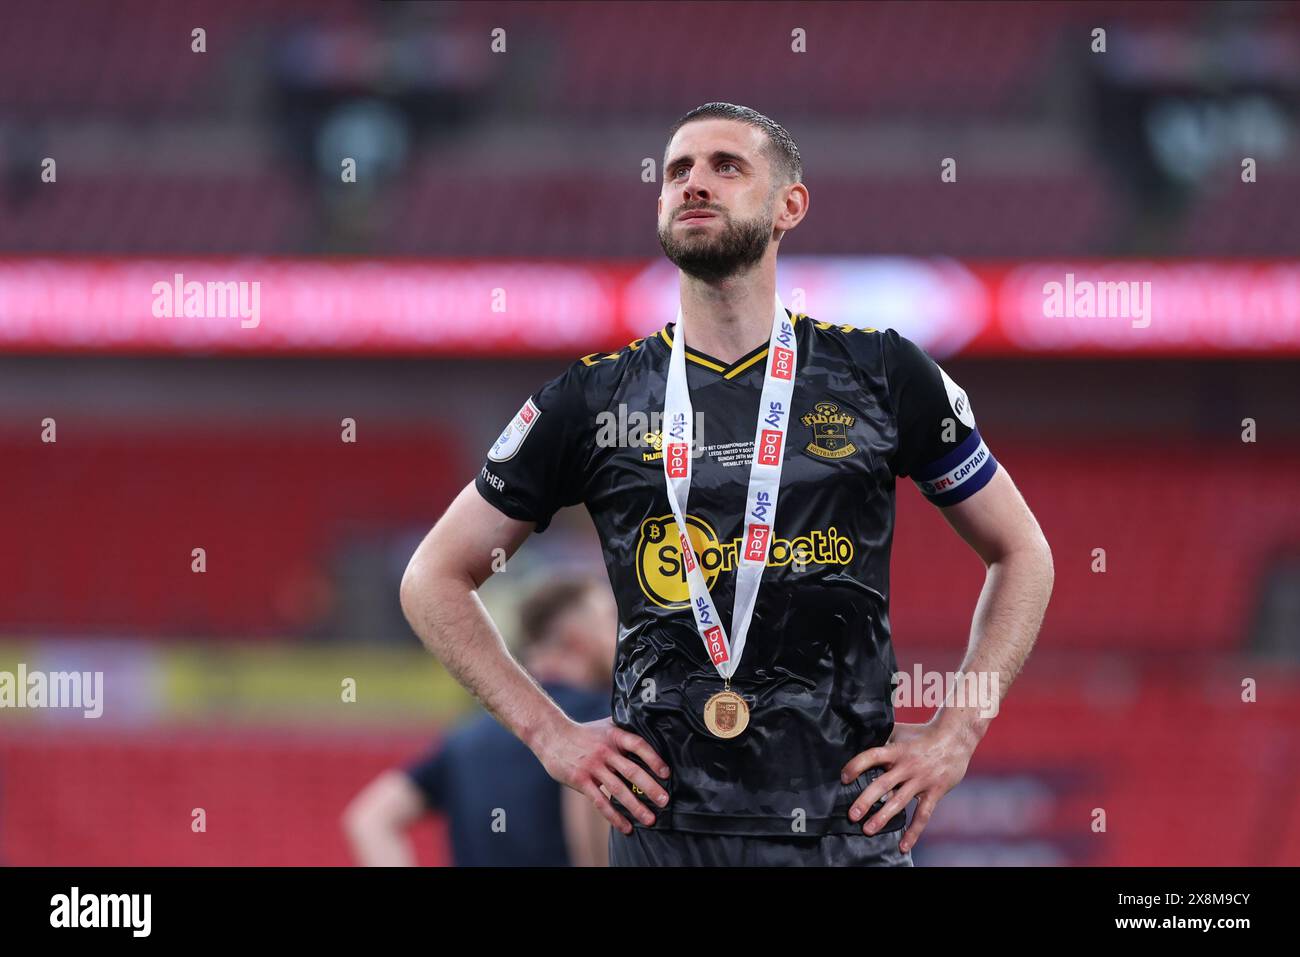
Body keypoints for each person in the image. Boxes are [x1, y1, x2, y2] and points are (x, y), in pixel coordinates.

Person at [400, 102, 1054, 866]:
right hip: (665, 838)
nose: (695, 184)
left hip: (846, 832)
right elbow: (433, 576)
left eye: (726, 166)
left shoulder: (882, 374)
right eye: (678, 171)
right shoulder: (592, 399)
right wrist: (550, 731)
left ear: (790, 206)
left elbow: (1023, 552)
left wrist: (955, 732)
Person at [344, 577, 615, 866]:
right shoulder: (599, 718)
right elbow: (590, 812)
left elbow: (371, 819)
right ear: (577, 637)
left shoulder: (467, 735)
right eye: (610, 619)